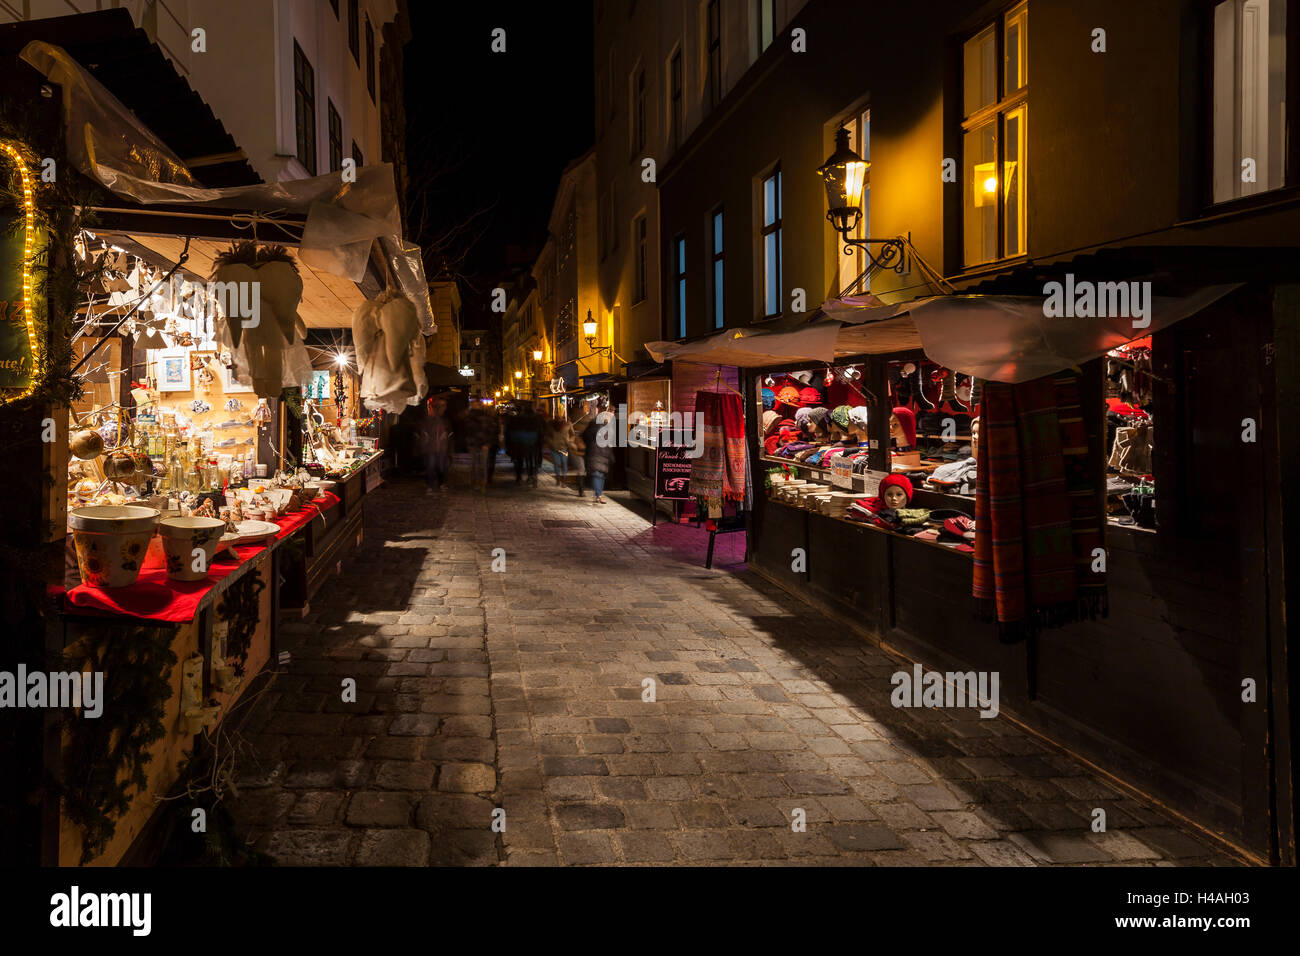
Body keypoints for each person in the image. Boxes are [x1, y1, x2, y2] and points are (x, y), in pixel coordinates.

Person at [462, 402, 497, 492]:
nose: (476, 406)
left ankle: (482, 483)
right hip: (473, 443)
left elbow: (490, 430)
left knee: (482, 464)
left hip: (482, 444)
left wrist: (487, 443)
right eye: (474, 404)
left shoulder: (485, 417)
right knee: (474, 465)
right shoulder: (469, 416)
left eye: (477, 404)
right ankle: (474, 483)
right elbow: (466, 431)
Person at [583, 409, 615, 505]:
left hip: (598, 452)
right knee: (599, 475)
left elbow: (585, 436)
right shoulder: (602, 428)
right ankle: (598, 495)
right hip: (599, 452)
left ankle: (598, 495)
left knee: (600, 475)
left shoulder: (593, 426)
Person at [422, 394, 451, 494]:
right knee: (430, 467)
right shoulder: (429, 420)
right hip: (431, 448)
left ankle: (441, 484)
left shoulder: (445, 420)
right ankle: (430, 485)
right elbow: (424, 433)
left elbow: (448, 434)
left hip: (441, 448)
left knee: (441, 467)